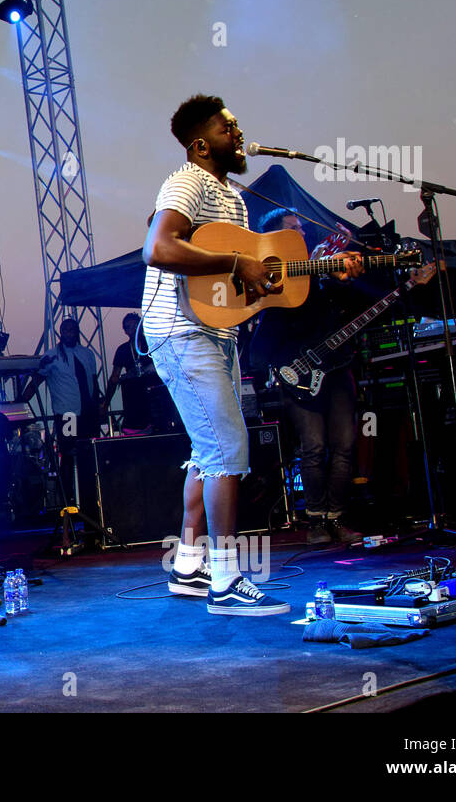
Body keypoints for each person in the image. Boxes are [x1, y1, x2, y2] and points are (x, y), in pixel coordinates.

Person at [140, 94, 360, 615]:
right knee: (226, 448)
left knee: (206, 449)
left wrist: (322, 270)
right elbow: (159, 248)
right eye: (226, 128)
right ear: (201, 143)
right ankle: (225, 580)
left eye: (237, 125)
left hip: (216, 336)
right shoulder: (186, 182)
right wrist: (240, 261)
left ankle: (189, 568)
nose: (238, 134)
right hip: (180, 332)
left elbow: (237, 287)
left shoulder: (234, 201)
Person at [251, 210, 369, 545]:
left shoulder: (321, 267)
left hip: (336, 367)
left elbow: (348, 305)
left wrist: (341, 277)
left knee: (345, 445)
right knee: (314, 447)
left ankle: (338, 518)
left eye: (301, 228)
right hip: (298, 373)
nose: (301, 233)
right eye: (293, 229)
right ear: (276, 237)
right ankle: (316, 522)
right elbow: (269, 331)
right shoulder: (271, 279)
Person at [20, 317, 101, 507]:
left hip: (87, 414)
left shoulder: (87, 354)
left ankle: (90, 499)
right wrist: (21, 402)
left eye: (73, 330)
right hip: (68, 415)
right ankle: (68, 500)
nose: (70, 333)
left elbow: (93, 382)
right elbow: (36, 381)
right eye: (66, 330)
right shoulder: (52, 357)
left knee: (88, 454)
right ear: (60, 333)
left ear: (78, 331)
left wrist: (97, 406)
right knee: (68, 454)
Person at [102, 311, 174, 434]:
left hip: (156, 400)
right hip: (134, 402)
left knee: (161, 433)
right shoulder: (123, 350)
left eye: (136, 325)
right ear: (125, 331)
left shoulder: (153, 344)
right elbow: (114, 378)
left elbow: (168, 366)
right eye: (130, 327)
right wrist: (106, 403)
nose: (134, 329)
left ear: (141, 326)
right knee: (137, 437)